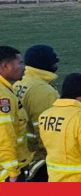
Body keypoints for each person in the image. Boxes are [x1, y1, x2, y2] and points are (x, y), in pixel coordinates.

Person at [15, 43, 60, 181]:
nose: (57, 63)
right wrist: (52, 153)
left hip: (24, 153)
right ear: (45, 63)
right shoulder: (43, 90)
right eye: (54, 60)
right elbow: (45, 128)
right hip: (39, 159)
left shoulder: (19, 83)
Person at [0, 46, 31, 182]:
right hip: (7, 173)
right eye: (20, 63)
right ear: (5, 66)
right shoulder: (3, 96)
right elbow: (4, 134)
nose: (24, 67)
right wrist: (13, 172)